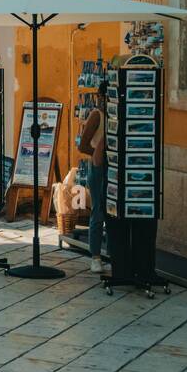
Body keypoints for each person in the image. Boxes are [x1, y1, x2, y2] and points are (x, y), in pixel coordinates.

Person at [78, 96, 107, 274]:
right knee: (98, 211)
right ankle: (95, 256)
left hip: (111, 167)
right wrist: (99, 152)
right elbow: (82, 146)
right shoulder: (97, 115)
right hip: (98, 167)